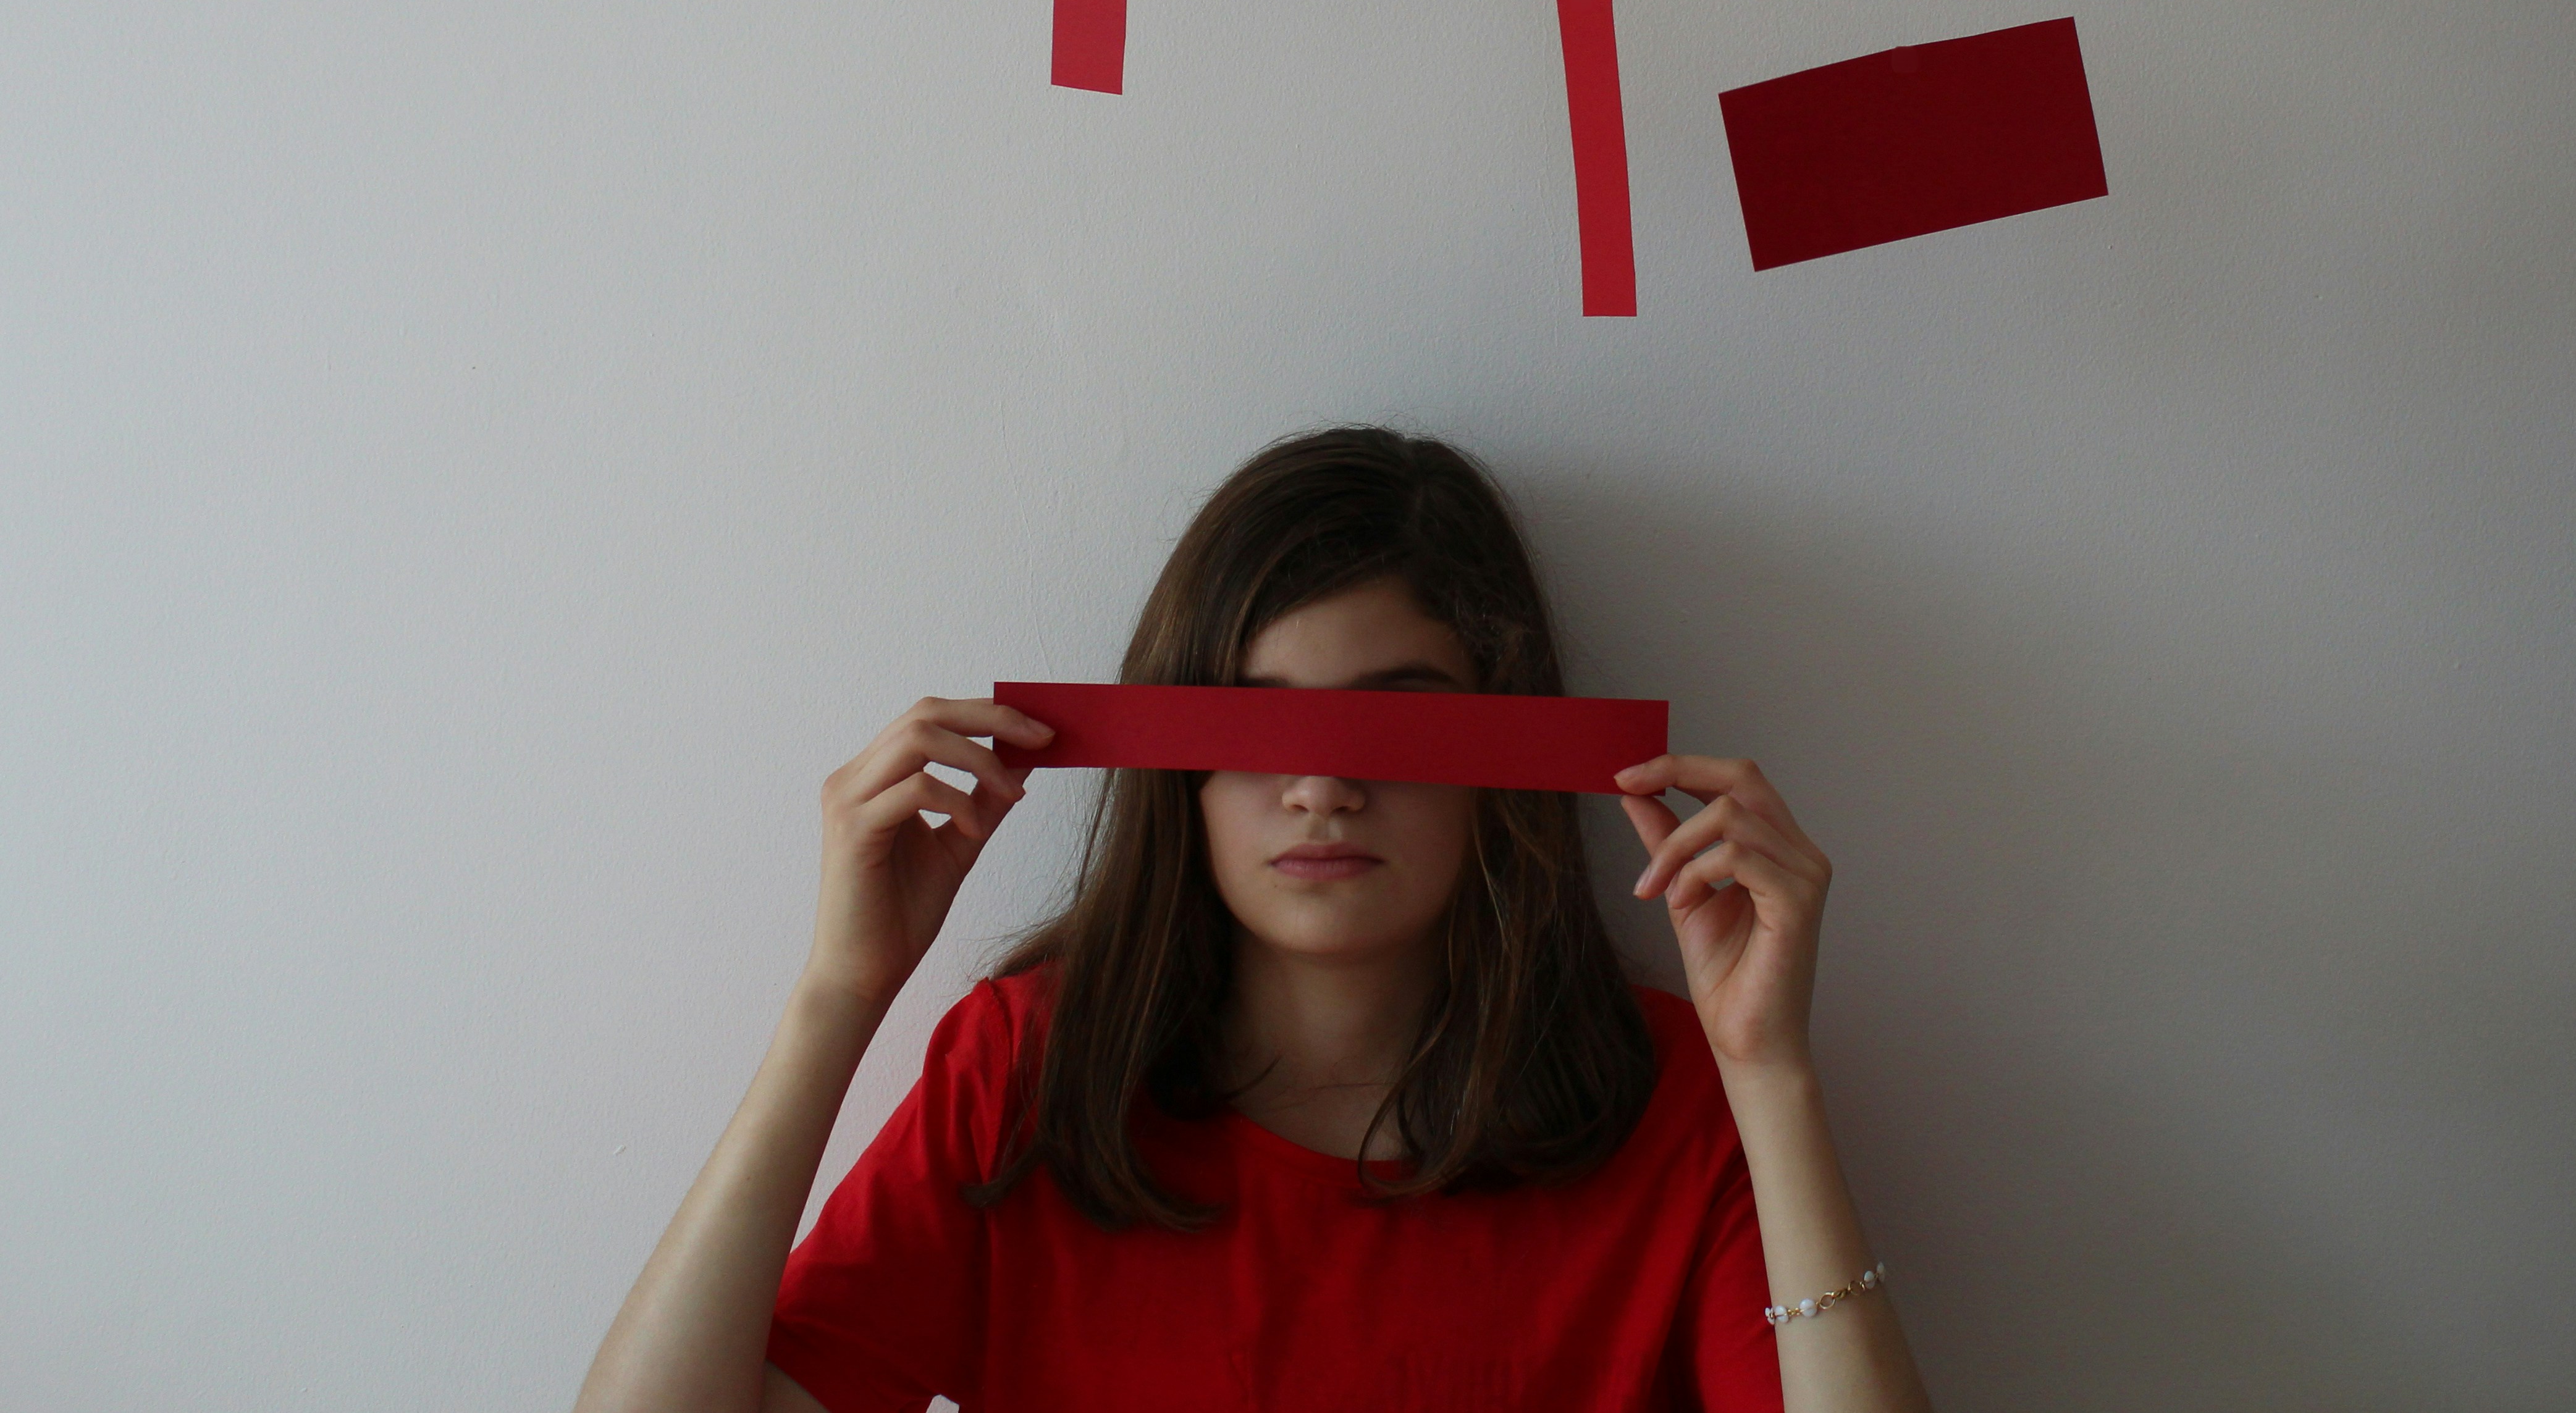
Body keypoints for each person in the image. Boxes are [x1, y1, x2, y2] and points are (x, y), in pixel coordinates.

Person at [574, 427, 1932, 1412]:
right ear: (1179, 770)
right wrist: (838, 994)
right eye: (1257, 723)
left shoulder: (1666, 1099)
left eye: (1398, 723)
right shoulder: (1028, 1077)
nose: (1321, 786)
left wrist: (1771, 1072)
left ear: (1503, 763)